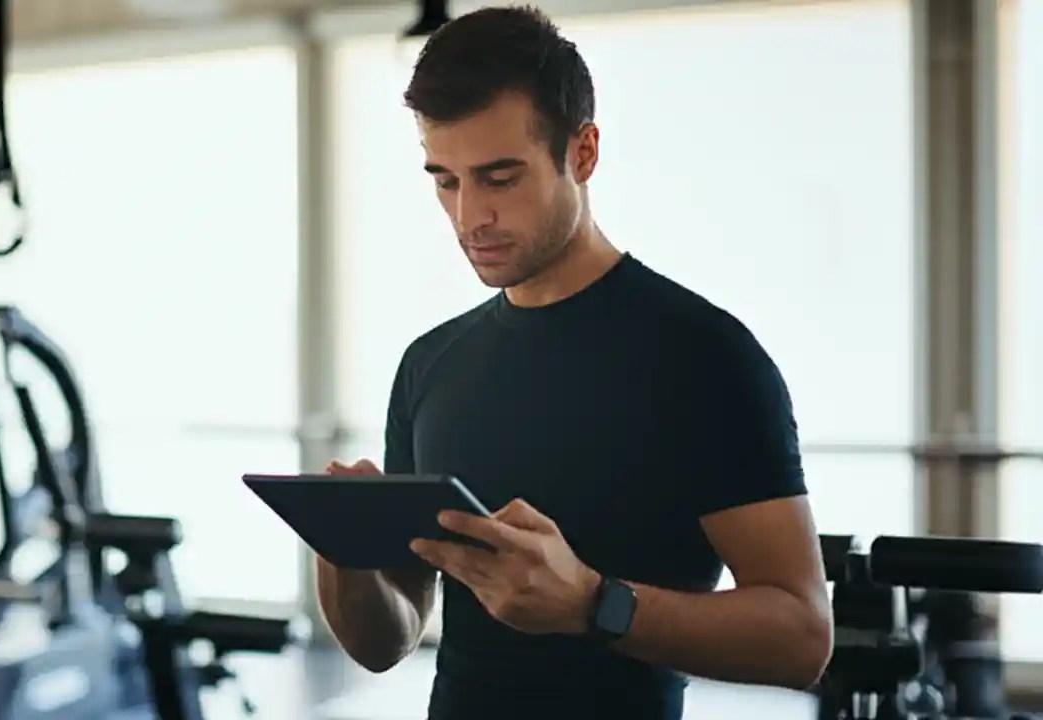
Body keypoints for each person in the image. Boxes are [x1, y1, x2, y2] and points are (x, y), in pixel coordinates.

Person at [315, 5, 833, 719]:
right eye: (446, 180)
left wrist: (595, 603)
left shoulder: (703, 357)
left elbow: (803, 637)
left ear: (582, 153)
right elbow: (388, 640)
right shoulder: (431, 364)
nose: (470, 217)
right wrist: (343, 555)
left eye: (501, 177)